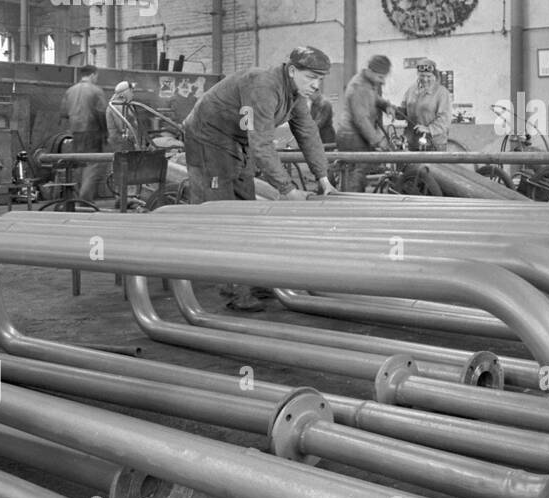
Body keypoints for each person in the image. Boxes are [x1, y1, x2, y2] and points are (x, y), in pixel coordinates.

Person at [183, 46, 334, 310]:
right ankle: (232, 288)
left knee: (247, 209)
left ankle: (252, 279)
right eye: (311, 77)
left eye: (320, 78)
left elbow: (308, 133)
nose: (316, 85)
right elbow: (262, 145)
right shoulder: (263, 87)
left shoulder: (294, 95)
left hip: (235, 140)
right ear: (292, 70)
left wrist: (323, 178)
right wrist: (287, 189)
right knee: (225, 213)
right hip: (207, 136)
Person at [333, 55, 396, 192]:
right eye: (380, 77)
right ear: (371, 71)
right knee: (355, 176)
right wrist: (378, 141)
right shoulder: (359, 87)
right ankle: (352, 207)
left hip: (357, 136)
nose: (383, 81)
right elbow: (361, 120)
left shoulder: (368, 84)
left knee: (360, 173)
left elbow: (374, 99)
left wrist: (386, 106)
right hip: (352, 138)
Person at [60, 65, 107, 203]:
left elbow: (63, 113)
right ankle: (85, 198)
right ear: (93, 75)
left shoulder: (70, 91)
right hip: (93, 132)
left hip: (76, 132)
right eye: (97, 76)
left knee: (79, 164)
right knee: (93, 164)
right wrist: (105, 132)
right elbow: (102, 112)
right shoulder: (96, 91)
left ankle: (78, 197)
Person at [400, 58, 452, 151]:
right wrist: (390, 109)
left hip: (434, 144)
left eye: (428, 76)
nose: (425, 79)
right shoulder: (411, 90)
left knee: (431, 166)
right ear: (418, 75)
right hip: (413, 142)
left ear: (434, 75)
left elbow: (445, 119)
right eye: (422, 76)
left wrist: (428, 129)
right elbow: (404, 110)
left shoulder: (442, 93)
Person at [106, 81, 143, 153]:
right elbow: (123, 128)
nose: (133, 94)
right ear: (125, 93)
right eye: (131, 92)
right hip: (121, 143)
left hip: (123, 142)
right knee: (124, 162)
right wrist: (136, 142)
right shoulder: (118, 106)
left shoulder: (123, 104)